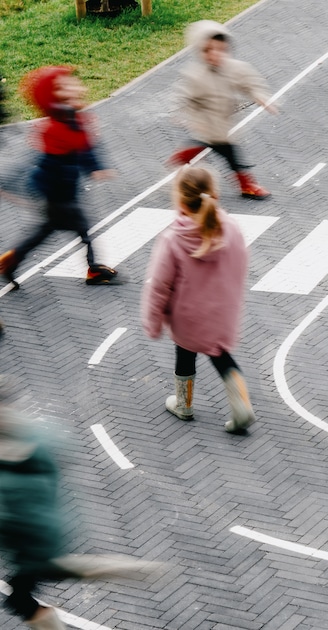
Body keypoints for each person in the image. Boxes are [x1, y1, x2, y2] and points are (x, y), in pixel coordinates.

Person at [0, 380, 161, 629]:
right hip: (44, 527)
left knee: (42, 582)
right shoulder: (33, 437)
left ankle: (129, 568)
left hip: (32, 539)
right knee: (24, 594)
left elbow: (10, 512)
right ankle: (130, 568)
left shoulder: (17, 462)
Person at [141, 166, 255, 434]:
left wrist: (153, 322)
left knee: (184, 353)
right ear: (215, 194)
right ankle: (241, 404)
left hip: (187, 316)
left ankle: (184, 404)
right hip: (222, 311)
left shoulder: (173, 239)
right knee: (220, 355)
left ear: (180, 201)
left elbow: (159, 285)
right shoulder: (231, 228)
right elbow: (240, 264)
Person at [0, 66, 119, 289]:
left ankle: (10, 261)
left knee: (44, 232)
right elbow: (79, 146)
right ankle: (94, 269)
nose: (76, 88)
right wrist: (94, 167)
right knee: (81, 229)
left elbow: (83, 147)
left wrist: (94, 166)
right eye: (66, 87)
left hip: (60, 194)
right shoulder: (57, 127)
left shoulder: (68, 120)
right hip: (58, 196)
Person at [167, 20, 276, 200]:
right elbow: (183, 97)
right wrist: (184, 116)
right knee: (231, 155)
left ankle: (182, 156)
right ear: (200, 51)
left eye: (220, 49)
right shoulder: (195, 76)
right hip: (207, 125)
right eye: (208, 50)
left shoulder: (235, 68)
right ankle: (246, 185)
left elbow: (250, 82)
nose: (215, 55)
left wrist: (260, 96)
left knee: (205, 146)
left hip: (222, 125)